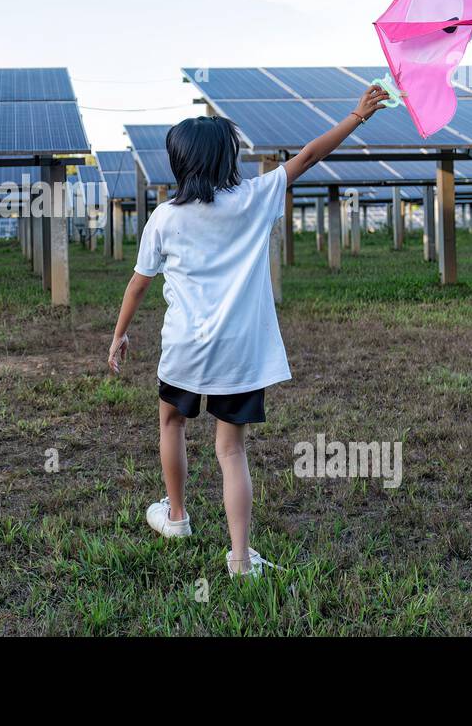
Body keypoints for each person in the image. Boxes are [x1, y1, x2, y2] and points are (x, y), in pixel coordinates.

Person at [108, 83, 389, 576]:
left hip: (185, 351)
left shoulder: (164, 219)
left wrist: (119, 335)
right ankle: (240, 558)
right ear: (226, 159)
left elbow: (137, 285)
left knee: (171, 423)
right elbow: (310, 155)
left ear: (180, 164)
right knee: (230, 449)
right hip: (240, 353)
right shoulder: (255, 198)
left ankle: (176, 516)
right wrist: (358, 116)